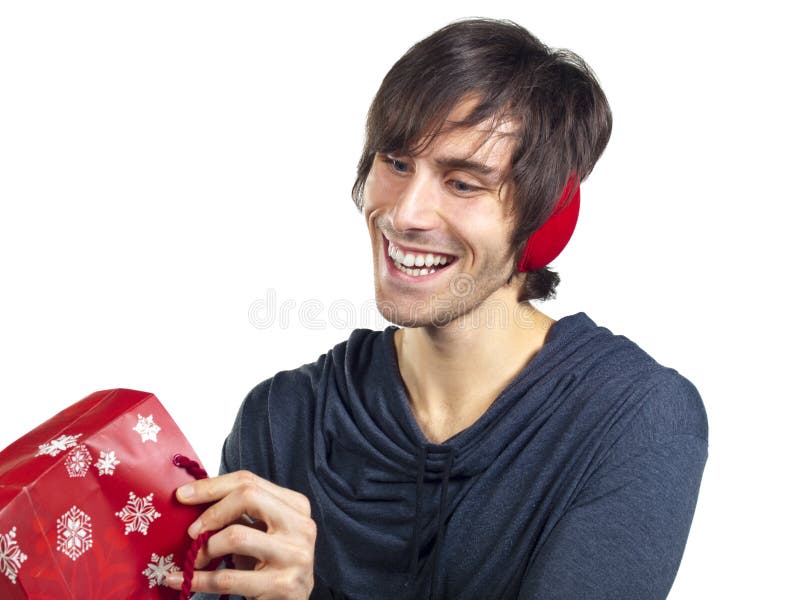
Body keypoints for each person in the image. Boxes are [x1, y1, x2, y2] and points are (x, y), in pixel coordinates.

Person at [168, 17, 708, 600]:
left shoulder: (636, 417)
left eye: (463, 183)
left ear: (547, 223)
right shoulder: (282, 418)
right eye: (396, 164)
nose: (405, 214)